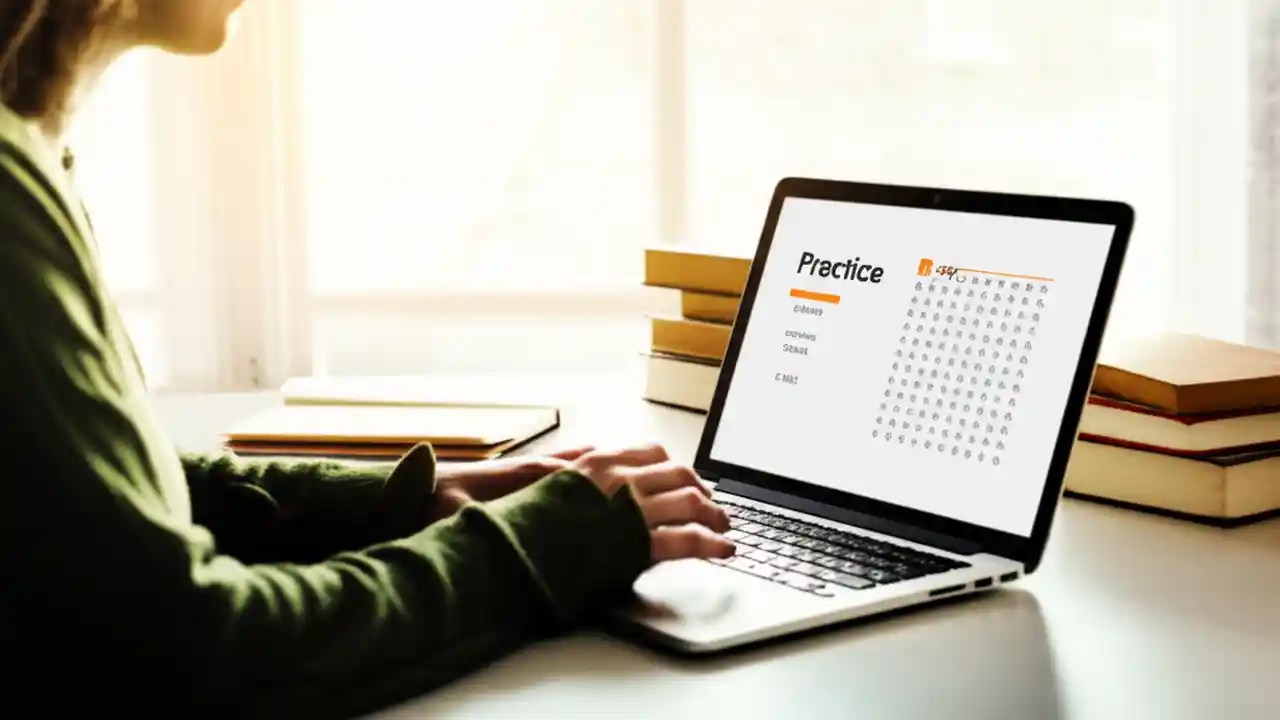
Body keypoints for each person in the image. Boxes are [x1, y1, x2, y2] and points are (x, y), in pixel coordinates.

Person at [0, 1, 735, 716]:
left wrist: (405, 503)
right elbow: (197, 648)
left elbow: (91, 503)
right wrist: (536, 546)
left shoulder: (29, 154)